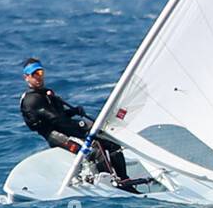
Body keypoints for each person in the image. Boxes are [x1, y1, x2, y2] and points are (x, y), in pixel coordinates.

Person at [19, 58, 132, 186]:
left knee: (110, 142)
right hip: (55, 135)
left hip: (66, 128)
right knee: (94, 149)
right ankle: (109, 183)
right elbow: (55, 120)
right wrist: (81, 129)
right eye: (34, 75)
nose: (38, 78)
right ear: (26, 77)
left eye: (40, 73)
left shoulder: (47, 94)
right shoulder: (31, 100)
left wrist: (73, 111)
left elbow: (61, 115)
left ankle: (124, 179)